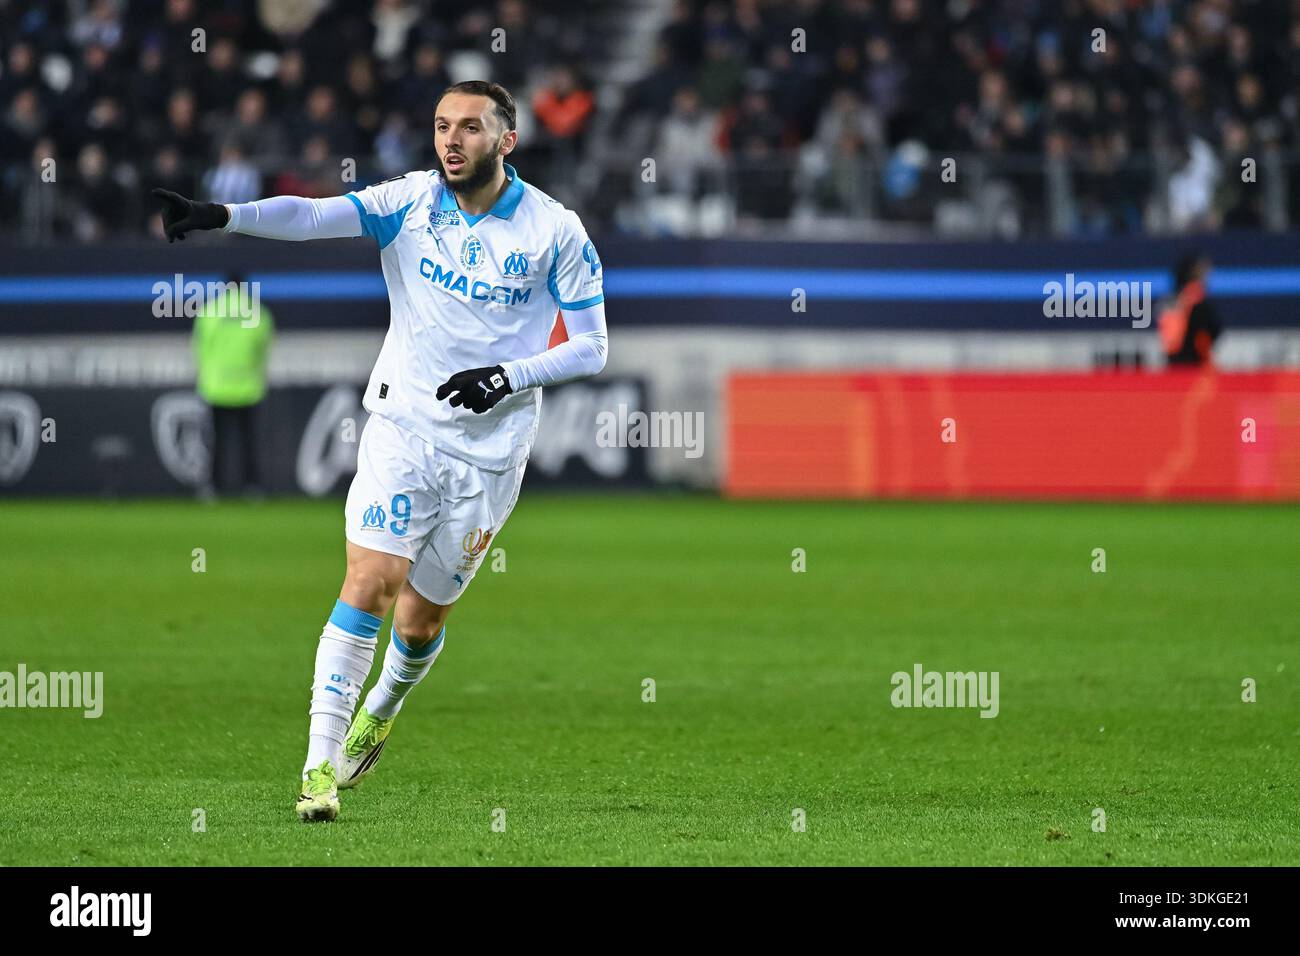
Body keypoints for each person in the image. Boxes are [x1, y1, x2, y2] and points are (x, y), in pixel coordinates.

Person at [152, 80, 608, 822]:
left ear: (507, 140)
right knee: (369, 581)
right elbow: (313, 216)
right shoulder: (413, 202)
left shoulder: (555, 231)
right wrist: (223, 216)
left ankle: (383, 707)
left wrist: (506, 376)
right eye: (440, 126)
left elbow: (592, 346)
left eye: (469, 127)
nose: (451, 140)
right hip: (403, 428)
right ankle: (317, 769)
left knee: (421, 622)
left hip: (491, 456)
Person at [192, 271, 273, 498]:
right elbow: (263, 347)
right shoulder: (258, 312)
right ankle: (252, 487)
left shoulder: (210, 311)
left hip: (216, 386)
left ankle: (213, 487)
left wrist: (206, 377)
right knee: (249, 441)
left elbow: (200, 348)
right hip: (248, 386)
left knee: (216, 441)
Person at [1158, 254, 1221, 367]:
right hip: (1193, 369)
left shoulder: (1170, 303)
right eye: (1203, 272)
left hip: (1173, 368)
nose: (1207, 276)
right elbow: (1210, 333)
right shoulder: (1199, 305)